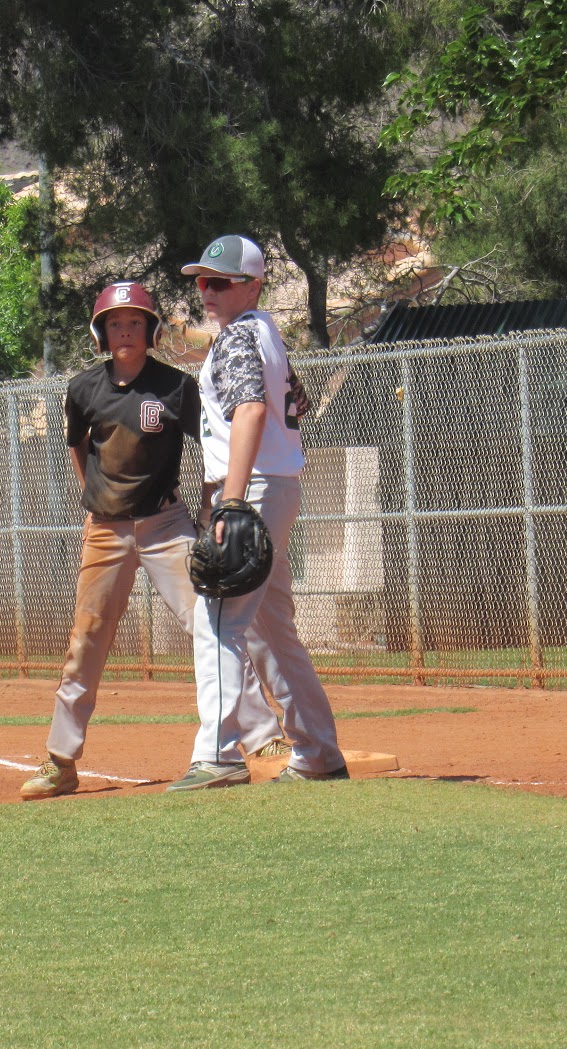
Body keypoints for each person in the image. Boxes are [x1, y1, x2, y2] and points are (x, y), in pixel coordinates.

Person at [21, 281, 289, 800]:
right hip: (105, 529)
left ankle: (263, 740)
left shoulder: (175, 386)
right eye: (116, 323)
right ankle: (61, 760)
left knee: (212, 626)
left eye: (136, 322)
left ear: (151, 331)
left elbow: (213, 439)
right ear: (102, 333)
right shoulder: (83, 389)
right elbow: (79, 449)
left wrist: (214, 504)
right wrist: (95, 500)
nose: (126, 330)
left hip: (166, 527)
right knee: (87, 642)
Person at [166, 235, 349, 790]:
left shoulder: (241, 335)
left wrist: (235, 497)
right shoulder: (265, 332)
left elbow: (249, 409)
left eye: (220, 281)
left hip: (255, 488)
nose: (208, 290)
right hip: (276, 482)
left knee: (217, 619)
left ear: (253, 284)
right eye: (202, 280)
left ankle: (218, 756)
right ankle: (317, 753)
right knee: (271, 630)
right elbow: (297, 402)